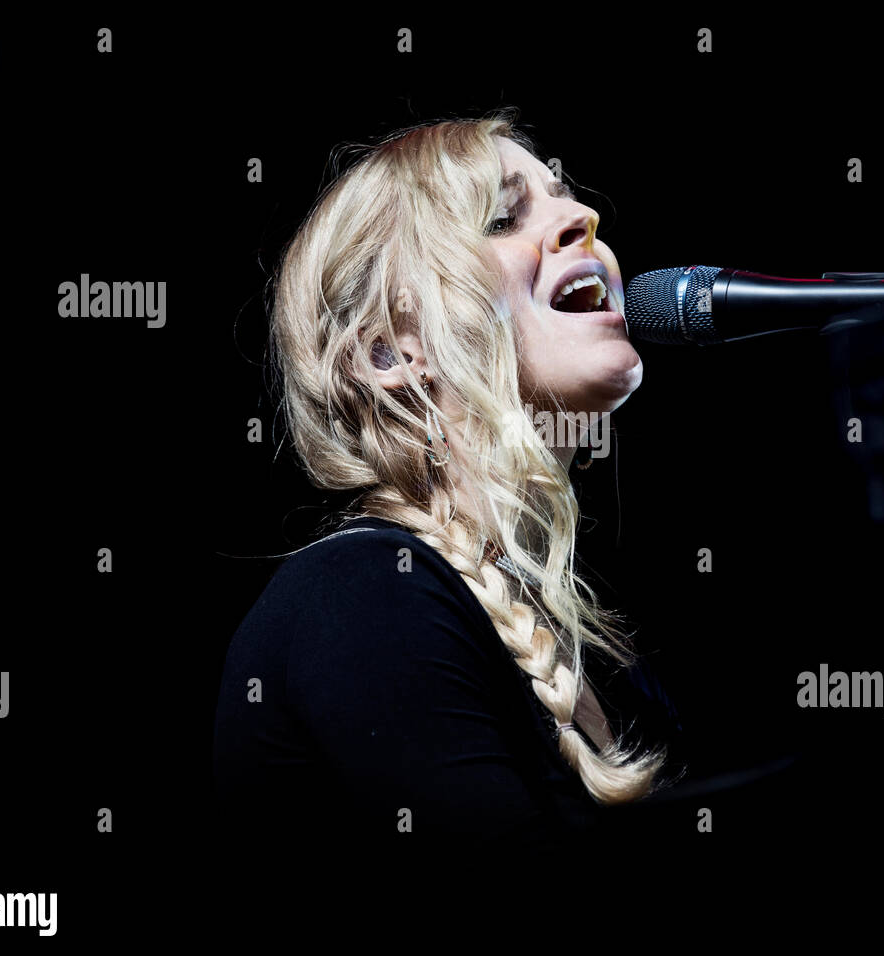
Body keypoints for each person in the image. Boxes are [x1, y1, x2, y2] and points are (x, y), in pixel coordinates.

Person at [213, 109, 686, 855]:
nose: (582, 219)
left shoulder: (596, 650)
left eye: (565, 194)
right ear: (390, 353)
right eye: (501, 219)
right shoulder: (362, 596)